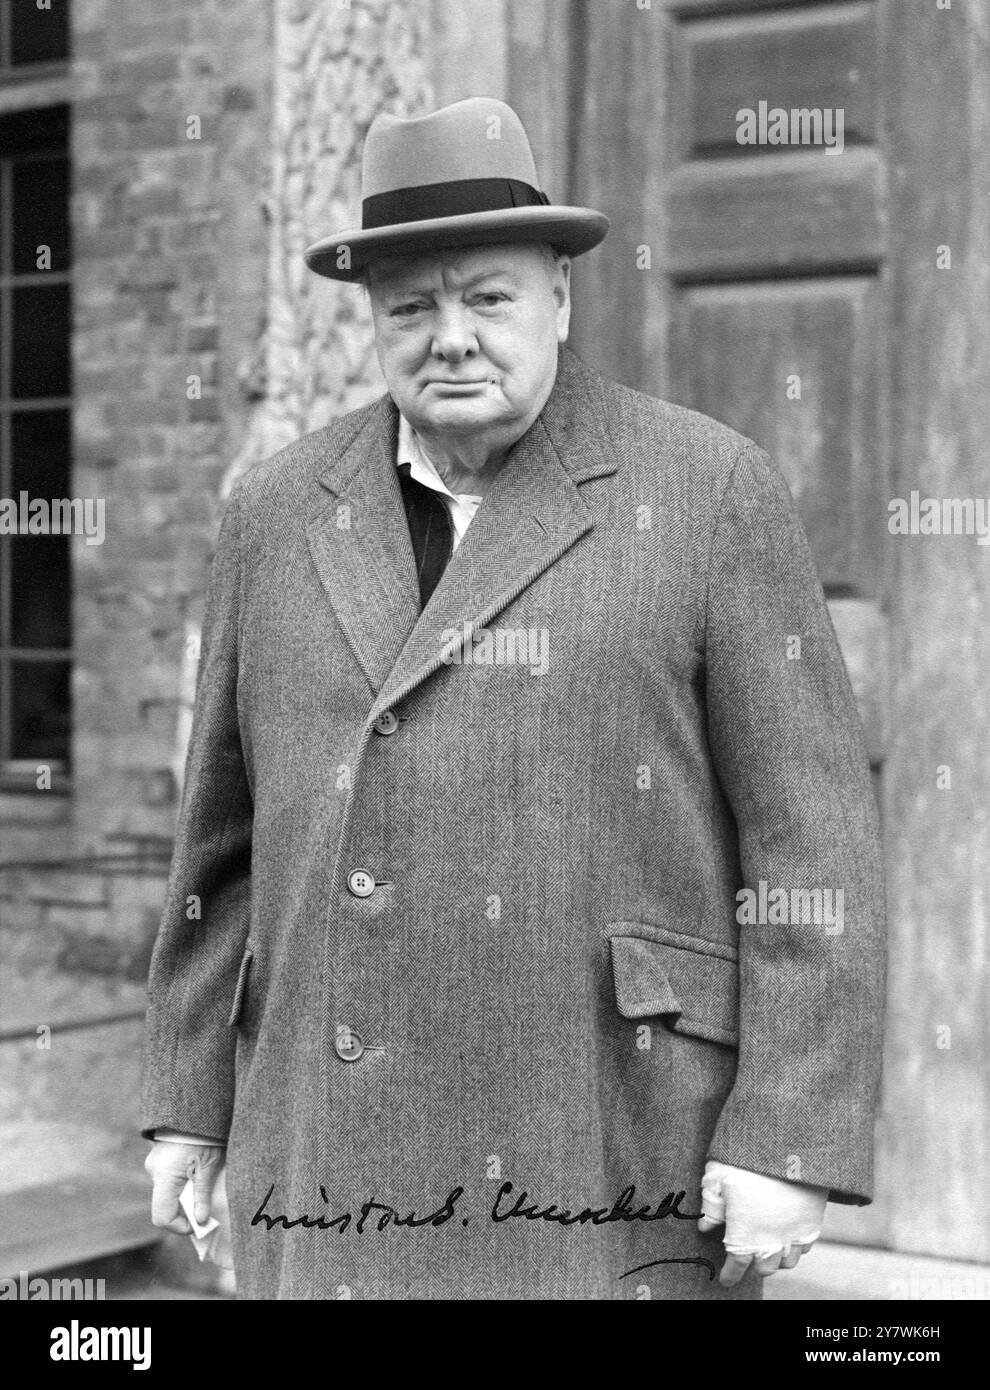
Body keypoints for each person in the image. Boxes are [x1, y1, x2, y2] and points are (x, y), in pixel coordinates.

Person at [142, 97, 886, 1300]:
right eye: (411, 307)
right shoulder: (273, 513)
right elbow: (216, 851)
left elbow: (814, 841)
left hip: (606, 1133)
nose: (450, 337)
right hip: (328, 1145)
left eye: (486, 298)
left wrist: (786, 1134)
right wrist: (188, 1104)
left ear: (560, 299)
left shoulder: (705, 491)